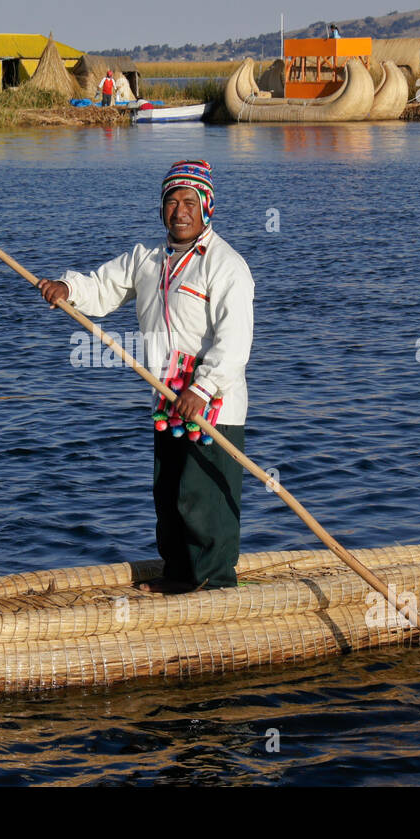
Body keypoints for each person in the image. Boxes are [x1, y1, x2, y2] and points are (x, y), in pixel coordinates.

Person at [37, 160, 255, 594]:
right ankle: (177, 576)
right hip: (167, 397)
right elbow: (102, 286)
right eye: (172, 202)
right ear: (161, 210)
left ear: (207, 207)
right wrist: (67, 289)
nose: (180, 211)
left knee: (202, 497)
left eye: (190, 202)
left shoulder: (226, 265)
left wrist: (203, 387)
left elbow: (235, 342)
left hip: (212, 403)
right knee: (170, 494)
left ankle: (214, 585)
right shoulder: (148, 260)